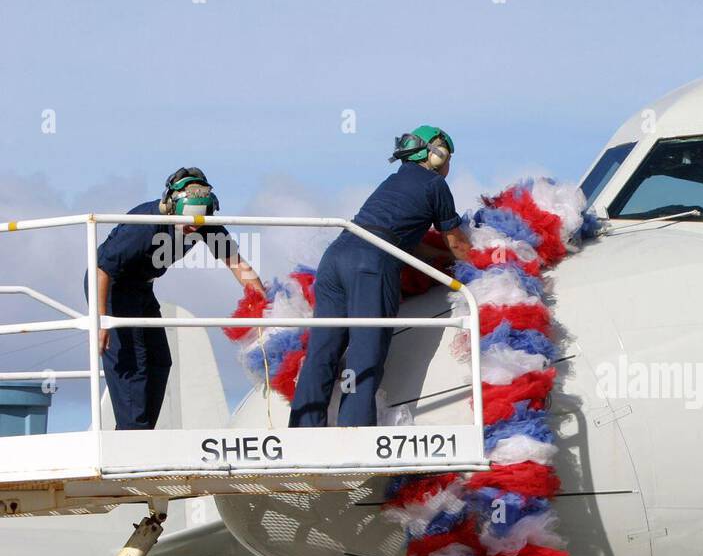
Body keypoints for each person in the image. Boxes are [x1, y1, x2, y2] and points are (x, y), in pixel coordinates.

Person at [289, 125, 473, 427]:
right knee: (365, 351)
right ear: (437, 155)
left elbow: (407, 244)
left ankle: (303, 429)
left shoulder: (392, 182)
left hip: (336, 258)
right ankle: (354, 428)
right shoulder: (434, 185)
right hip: (371, 264)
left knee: (324, 349)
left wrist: (441, 261)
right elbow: (457, 243)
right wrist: (486, 265)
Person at [91, 167, 264, 430]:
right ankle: (131, 436)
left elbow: (238, 265)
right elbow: (101, 268)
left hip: (142, 289)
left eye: (199, 220)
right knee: (134, 366)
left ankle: (141, 431)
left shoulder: (203, 224)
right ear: (171, 207)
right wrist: (102, 320)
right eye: (188, 220)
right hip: (112, 287)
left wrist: (263, 306)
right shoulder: (144, 226)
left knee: (160, 361)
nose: (193, 226)